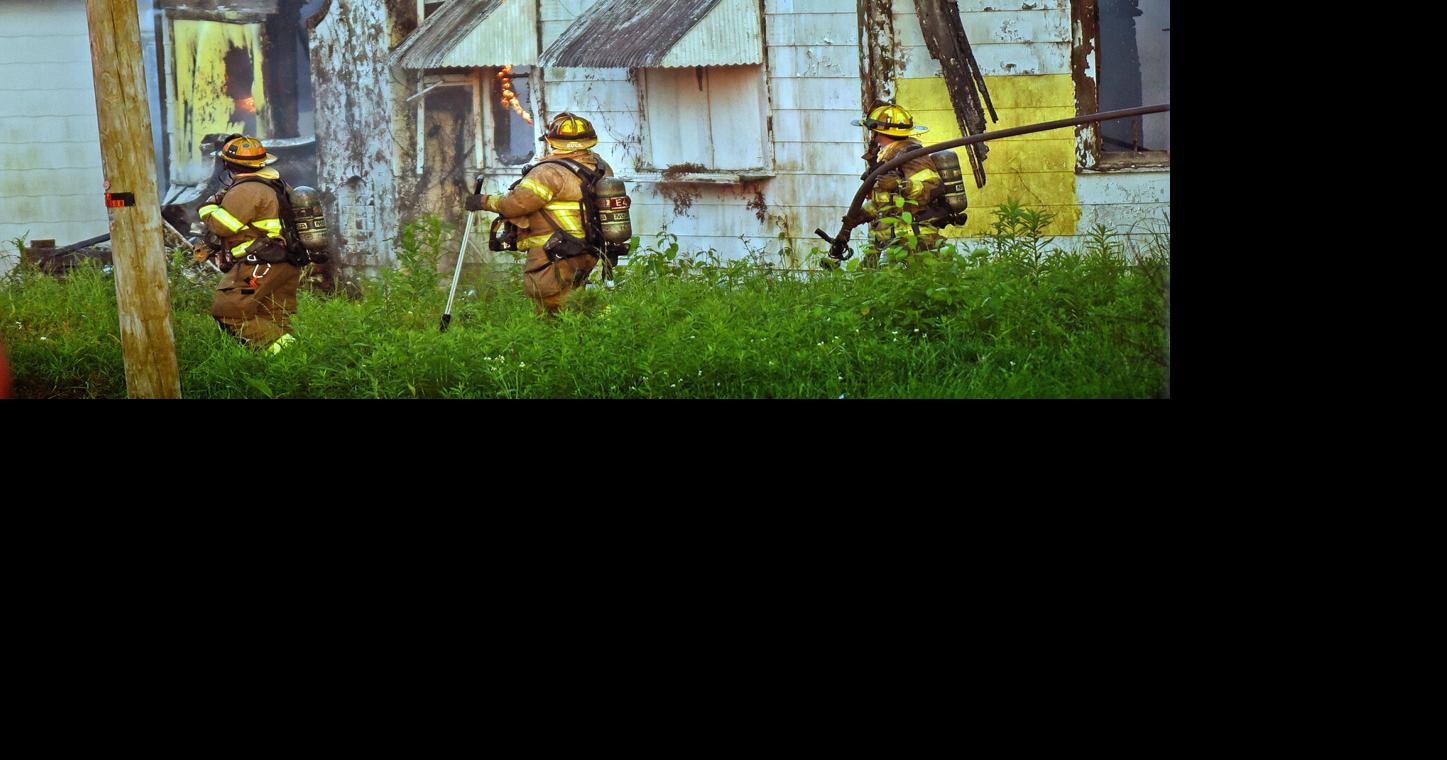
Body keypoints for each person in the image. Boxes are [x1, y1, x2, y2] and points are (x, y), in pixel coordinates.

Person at [465, 113, 620, 315]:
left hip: (556, 249)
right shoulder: (601, 167)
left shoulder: (548, 172)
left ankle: (561, 340)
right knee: (574, 298)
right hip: (589, 248)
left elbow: (515, 204)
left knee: (549, 302)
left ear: (550, 140)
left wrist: (483, 201)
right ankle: (583, 335)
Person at [196, 135, 309, 354]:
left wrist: (207, 208)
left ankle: (291, 352)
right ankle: (292, 362)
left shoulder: (247, 190)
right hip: (284, 262)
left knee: (230, 312)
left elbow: (223, 226)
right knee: (273, 316)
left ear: (227, 164)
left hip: (261, 262)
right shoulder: (275, 183)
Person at [847, 104, 944, 266]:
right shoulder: (889, 156)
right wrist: (863, 214)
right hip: (888, 239)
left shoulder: (913, 156)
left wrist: (900, 185)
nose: (873, 137)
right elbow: (886, 199)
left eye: (873, 132)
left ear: (878, 132)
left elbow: (931, 187)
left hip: (913, 241)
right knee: (868, 282)